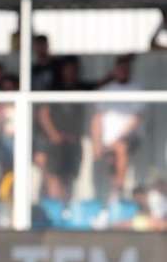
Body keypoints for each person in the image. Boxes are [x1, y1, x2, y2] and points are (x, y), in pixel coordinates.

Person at [34, 56, 91, 201]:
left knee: (69, 177)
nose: (71, 72)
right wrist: (54, 135)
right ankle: (55, 209)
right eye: (68, 69)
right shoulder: (54, 89)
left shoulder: (80, 88)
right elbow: (43, 113)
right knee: (53, 176)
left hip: (73, 142)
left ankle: (65, 209)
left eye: (74, 69)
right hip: (56, 143)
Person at [91, 54, 145, 197]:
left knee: (121, 148)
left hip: (128, 137)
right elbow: (97, 118)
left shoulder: (137, 89)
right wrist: (97, 144)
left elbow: (136, 118)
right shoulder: (107, 89)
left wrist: (116, 139)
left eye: (125, 68)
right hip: (107, 140)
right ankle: (104, 196)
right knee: (104, 160)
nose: (123, 71)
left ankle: (118, 192)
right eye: (120, 68)